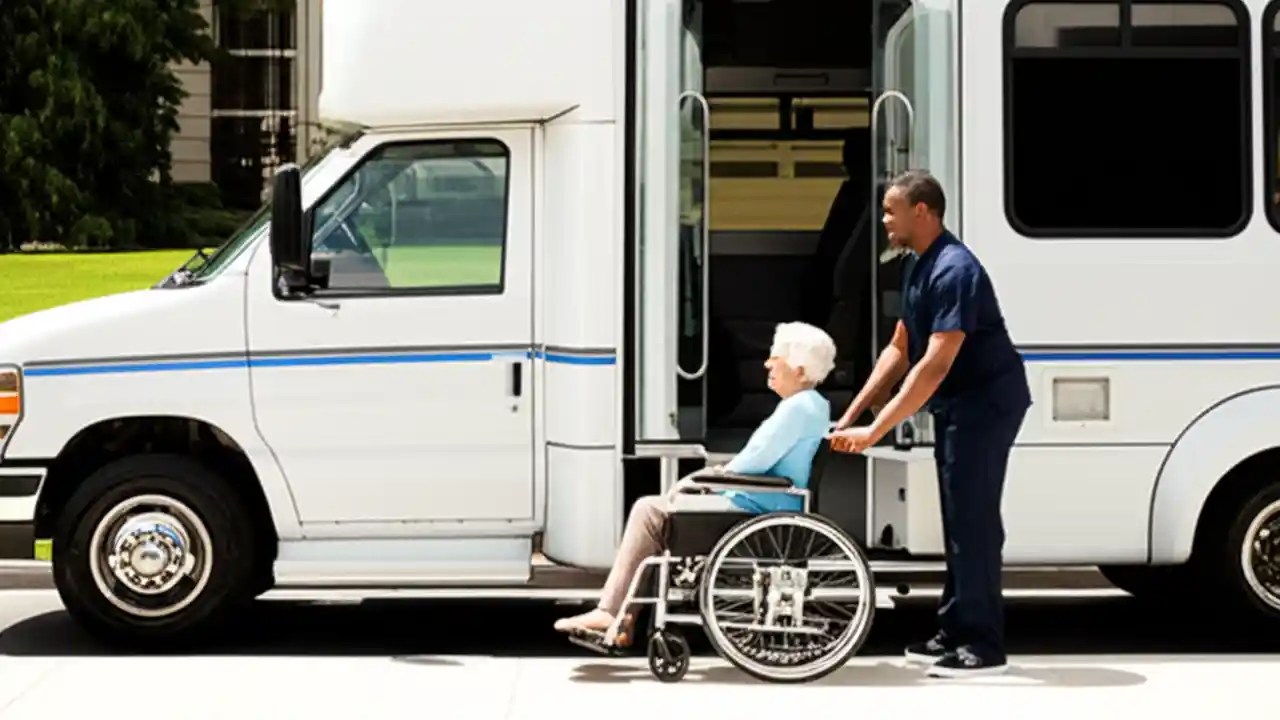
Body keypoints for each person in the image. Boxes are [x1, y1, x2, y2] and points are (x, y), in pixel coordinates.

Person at [829, 169, 1030, 678]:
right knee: (958, 521)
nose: (884, 220)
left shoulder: (955, 270)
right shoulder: (918, 265)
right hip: (959, 406)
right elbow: (899, 349)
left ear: (923, 211)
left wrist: (876, 432)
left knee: (975, 523)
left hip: (986, 405)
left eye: (891, 210)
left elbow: (934, 364)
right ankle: (954, 629)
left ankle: (982, 646)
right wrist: (852, 414)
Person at [554, 322, 837, 643]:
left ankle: (614, 614)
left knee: (649, 512)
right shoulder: (813, 406)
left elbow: (756, 458)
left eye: (776, 358)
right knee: (659, 511)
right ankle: (623, 620)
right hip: (765, 505)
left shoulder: (797, 408)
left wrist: (713, 476)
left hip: (755, 510)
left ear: (799, 370)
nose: (767, 364)